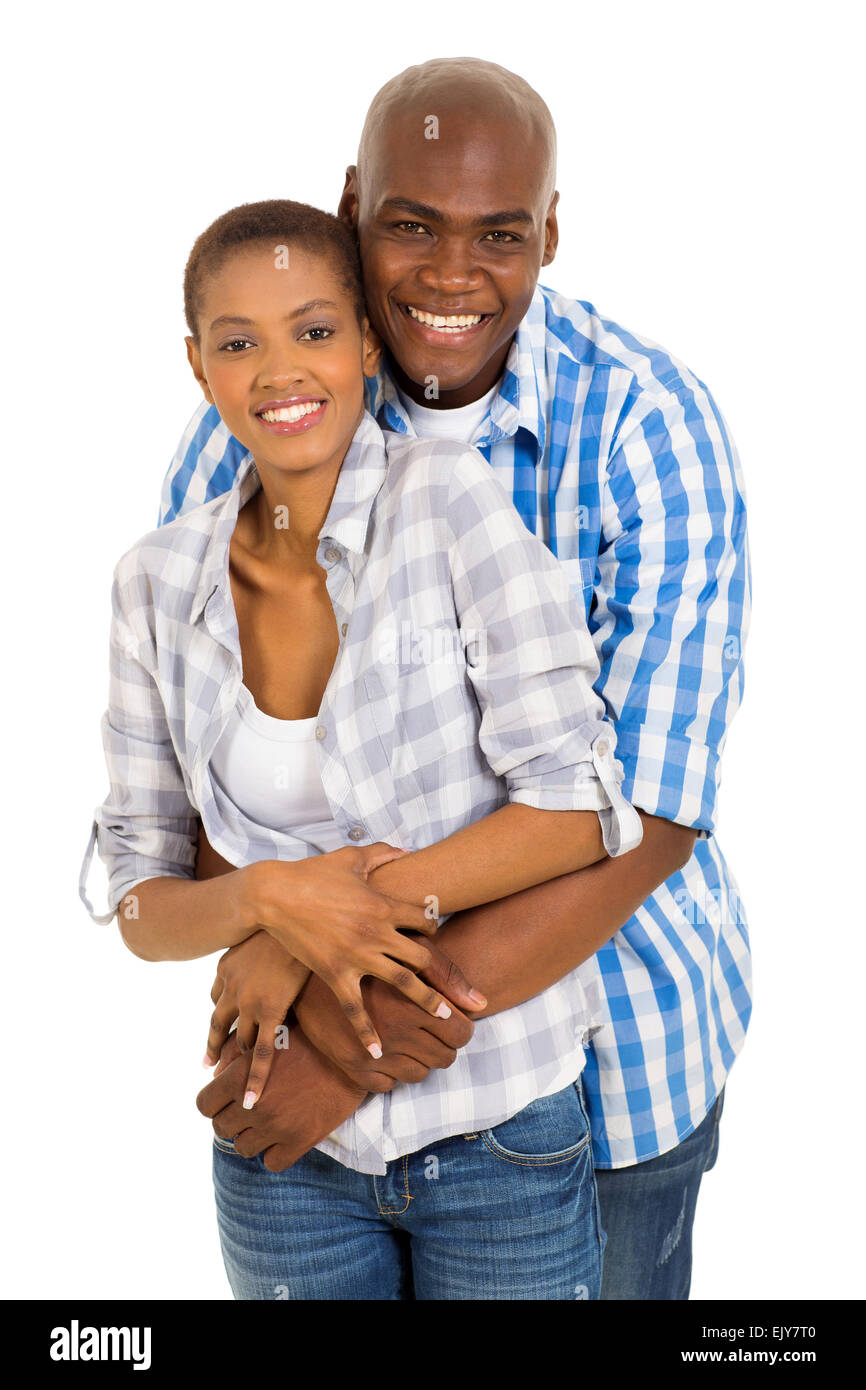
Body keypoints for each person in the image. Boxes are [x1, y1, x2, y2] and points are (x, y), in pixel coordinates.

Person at [169, 58, 752, 1302]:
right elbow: (196, 763)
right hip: (305, 1089)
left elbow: (646, 810)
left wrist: (355, 1028)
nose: (449, 276)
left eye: (497, 234)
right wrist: (281, 952)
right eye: (408, 226)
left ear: (549, 231)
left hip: (608, 1074)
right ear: (347, 210)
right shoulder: (267, 406)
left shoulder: (647, 425)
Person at [80, 197, 646, 1299]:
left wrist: (306, 923)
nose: (280, 369)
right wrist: (268, 901)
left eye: (314, 329)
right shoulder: (152, 582)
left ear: (366, 347)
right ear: (198, 369)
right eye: (238, 342)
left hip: (498, 1128)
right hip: (277, 1147)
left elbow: (579, 806)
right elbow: (142, 901)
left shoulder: (448, 504)